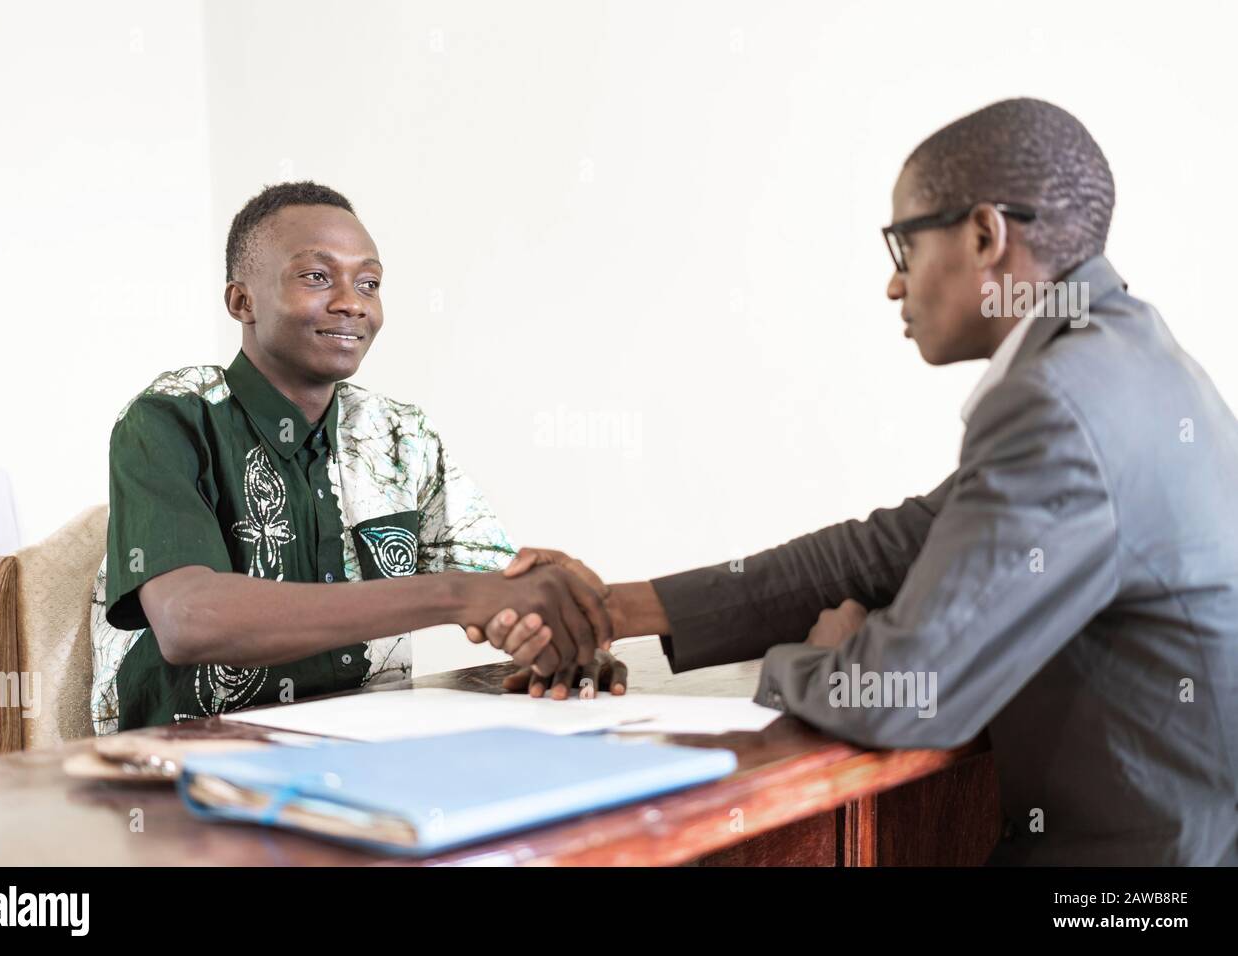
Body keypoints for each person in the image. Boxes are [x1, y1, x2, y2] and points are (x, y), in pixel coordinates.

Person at [484, 99, 1238, 865]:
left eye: (903, 247)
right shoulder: (1128, 363)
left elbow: (908, 694)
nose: (891, 285)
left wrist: (812, 658)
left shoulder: (1056, 403)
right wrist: (605, 610)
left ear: (985, 235)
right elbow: (885, 551)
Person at [89, 182, 620, 734]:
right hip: (184, 767)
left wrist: (561, 630)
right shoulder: (172, 418)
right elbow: (188, 620)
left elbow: (502, 589)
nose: (352, 302)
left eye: (369, 283)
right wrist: (457, 595)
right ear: (242, 301)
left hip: (362, 752)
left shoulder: (398, 435)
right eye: (317, 277)